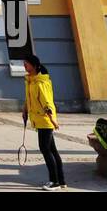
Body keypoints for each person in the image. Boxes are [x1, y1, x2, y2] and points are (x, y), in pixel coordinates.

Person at [22, 54, 66, 189]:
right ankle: (61, 181)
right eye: (24, 64)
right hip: (39, 119)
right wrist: (25, 110)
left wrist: (52, 119)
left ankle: (54, 181)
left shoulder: (41, 82)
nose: (24, 66)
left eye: (26, 64)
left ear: (34, 66)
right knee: (52, 149)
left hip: (45, 120)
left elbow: (47, 102)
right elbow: (29, 98)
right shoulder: (30, 81)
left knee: (45, 149)